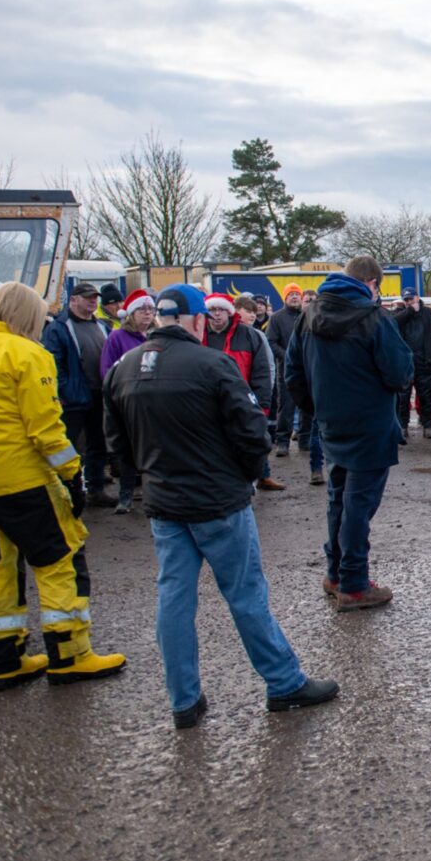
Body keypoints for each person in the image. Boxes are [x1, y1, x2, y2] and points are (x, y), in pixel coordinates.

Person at [104, 284, 338, 728]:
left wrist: (150, 474)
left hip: (164, 501)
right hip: (217, 500)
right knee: (245, 594)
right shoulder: (213, 364)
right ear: (195, 320)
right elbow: (254, 433)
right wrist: (245, 474)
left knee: (173, 596)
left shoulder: (124, 368)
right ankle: (284, 683)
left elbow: (116, 444)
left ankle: (183, 700)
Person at [0, 282, 127, 691]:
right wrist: (71, 476)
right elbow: (46, 429)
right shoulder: (28, 355)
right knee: (59, 562)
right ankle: (70, 655)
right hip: (20, 479)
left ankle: (5, 660)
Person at [285, 257, 413, 611]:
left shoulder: (308, 316)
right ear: (372, 284)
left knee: (338, 498)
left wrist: (319, 409)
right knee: (358, 504)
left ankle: (336, 573)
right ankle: (354, 582)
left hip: (331, 423)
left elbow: (292, 373)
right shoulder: (375, 319)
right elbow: (399, 373)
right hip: (370, 425)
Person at [41, 281, 115, 507]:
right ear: (73, 300)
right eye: (87, 297)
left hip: (98, 394)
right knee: (71, 445)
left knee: (97, 442)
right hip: (73, 398)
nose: (93, 301)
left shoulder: (103, 325)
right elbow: (54, 363)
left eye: (95, 297)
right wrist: (65, 392)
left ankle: (95, 488)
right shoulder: (59, 327)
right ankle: (68, 489)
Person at [205, 293, 283, 492]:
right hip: (207, 408)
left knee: (244, 452)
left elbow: (263, 373)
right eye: (212, 310)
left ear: (229, 311)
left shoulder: (250, 335)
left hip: (242, 406)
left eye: (220, 309)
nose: (216, 315)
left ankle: (246, 490)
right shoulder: (198, 336)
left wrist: (262, 407)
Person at [100, 289, 157, 514]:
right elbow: (107, 370)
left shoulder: (157, 335)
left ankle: (153, 493)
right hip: (126, 401)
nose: (147, 313)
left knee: (152, 448)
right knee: (127, 449)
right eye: (142, 309)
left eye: (150, 309)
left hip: (153, 402)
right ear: (131, 314)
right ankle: (126, 494)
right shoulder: (117, 337)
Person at [393, 291, 431, 440]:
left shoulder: (428, 313)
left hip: (424, 361)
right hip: (405, 363)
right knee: (403, 397)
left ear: (417, 298)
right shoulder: (399, 313)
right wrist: (409, 311)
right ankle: (403, 426)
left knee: (426, 396)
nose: (408, 301)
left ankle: (427, 424)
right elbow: (392, 324)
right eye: (405, 299)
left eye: (411, 298)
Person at [267, 285, 305, 455]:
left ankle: (305, 439)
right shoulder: (276, 318)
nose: (295, 297)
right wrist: (288, 357)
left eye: (297, 294)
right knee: (286, 406)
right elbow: (271, 342)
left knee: (307, 406)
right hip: (287, 369)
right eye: (291, 294)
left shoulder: (307, 317)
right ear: (285, 298)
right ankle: (283, 441)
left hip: (307, 369)